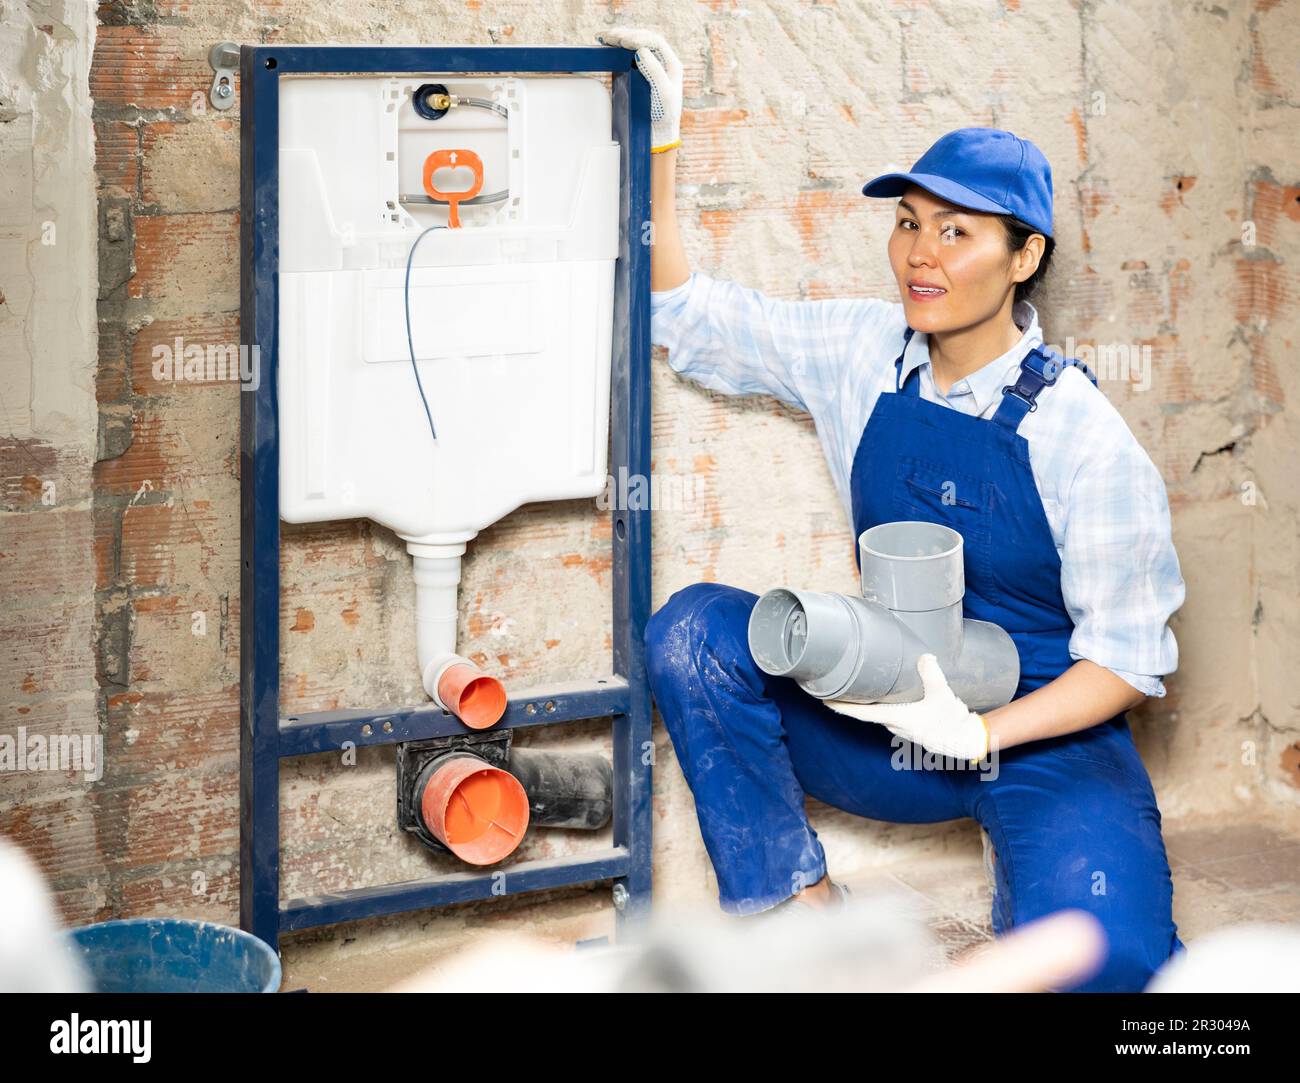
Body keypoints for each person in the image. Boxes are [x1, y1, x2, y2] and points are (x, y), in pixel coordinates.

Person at [595, 27, 1189, 993]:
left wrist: (990, 735)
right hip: (897, 716)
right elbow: (689, 316)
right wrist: (659, 150)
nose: (921, 255)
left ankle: (1039, 881)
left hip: (1042, 733)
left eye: (957, 233)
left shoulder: (1084, 435)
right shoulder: (861, 350)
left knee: (1112, 964)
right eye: (909, 223)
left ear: (1024, 256)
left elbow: (1126, 662)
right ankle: (804, 921)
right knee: (693, 634)